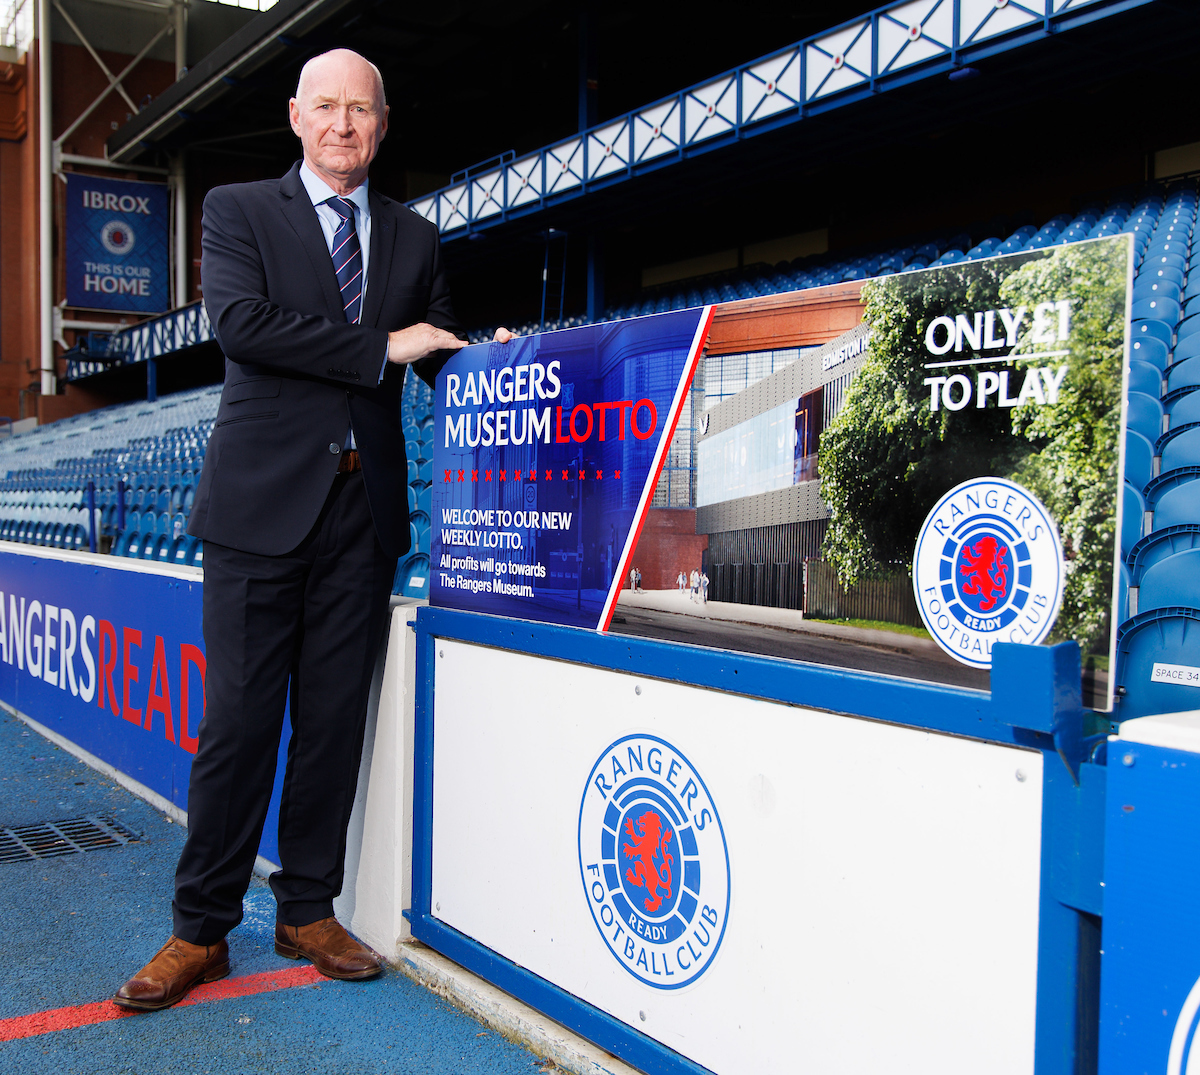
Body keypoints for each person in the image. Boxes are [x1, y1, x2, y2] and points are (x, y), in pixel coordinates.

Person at [113, 48, 511, 1012]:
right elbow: (245, 326)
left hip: (360, 510)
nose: (343, 125)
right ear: (296, 117)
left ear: (381, 124)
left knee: (332, 722)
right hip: (258, 510)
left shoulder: (416, 239)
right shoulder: (239, 209)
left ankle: (308, 908)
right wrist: (384, 344)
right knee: (241, 725)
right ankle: (200, 929)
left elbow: (436, 356)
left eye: (361, 110)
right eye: (325, 107)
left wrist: (495, 359)